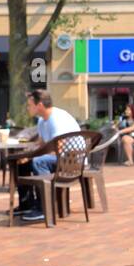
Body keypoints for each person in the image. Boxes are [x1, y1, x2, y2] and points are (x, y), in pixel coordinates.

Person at [16, 89, 81, 222]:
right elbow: (41, 143)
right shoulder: (42, 120)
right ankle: (27, 204)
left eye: (30, 105)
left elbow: (58, 148)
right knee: (20, 162)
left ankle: (44, 208)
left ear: (39, 105)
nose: (27, 108)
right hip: (59, 158)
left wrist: (31, 157)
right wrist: (26, 155)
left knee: (39, 161)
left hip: (71, 160)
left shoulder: (56, 119)